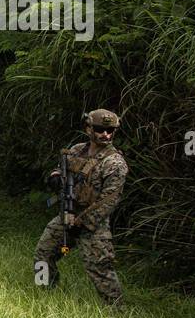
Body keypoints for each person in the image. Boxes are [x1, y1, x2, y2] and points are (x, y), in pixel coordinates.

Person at [33, 109, 128, 307]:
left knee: (100, 269)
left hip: (93, 224)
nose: (106, 135)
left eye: (111, 131)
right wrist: (55, 176)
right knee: (43, 254)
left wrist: (82, 222)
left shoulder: (114, 162)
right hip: (67, 214)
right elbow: (61, 168)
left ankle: (117, 312)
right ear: (88, 129)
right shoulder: (76, 150)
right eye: (101, 130)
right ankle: (43, 294)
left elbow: (109, 200)